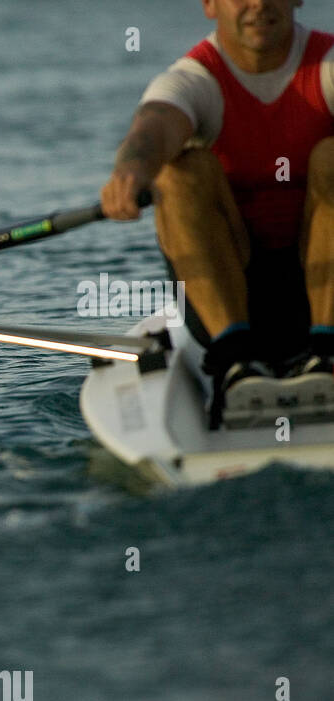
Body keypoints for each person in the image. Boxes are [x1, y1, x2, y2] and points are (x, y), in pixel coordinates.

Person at [101, 0, 334, 424]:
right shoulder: (194, 80)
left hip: (321, 292)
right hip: (232, 298)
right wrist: (132, 172)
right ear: (209, 4)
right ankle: (235, 365)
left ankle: (327, 354)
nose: (259, 4)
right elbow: (152, 129)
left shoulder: (328, 65)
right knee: (179, 170)